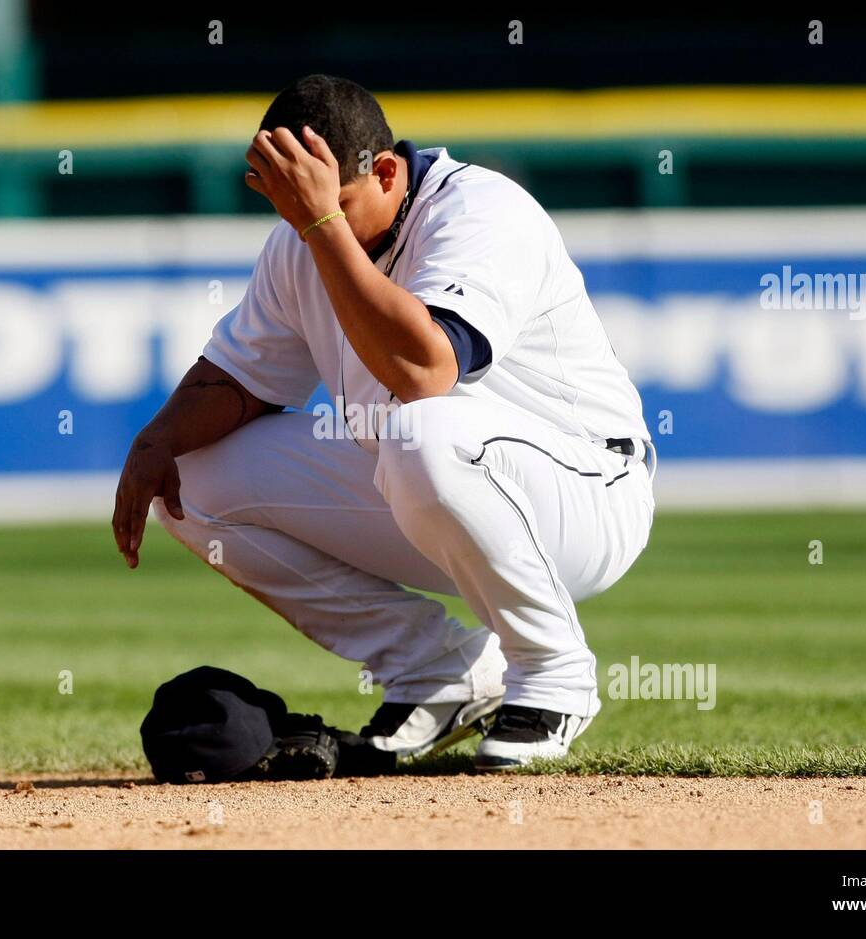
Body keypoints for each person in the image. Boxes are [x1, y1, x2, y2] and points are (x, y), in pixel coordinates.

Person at [112, 75, 655, 770]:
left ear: (389, 171)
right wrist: (154, 441)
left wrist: (319, 225)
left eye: (329, 201)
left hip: (584, 493)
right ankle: (439, 670)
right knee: (190, 474)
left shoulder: (482, 212)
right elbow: (237, 382)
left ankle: (553, 673)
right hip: (432, 480)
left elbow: (424, 369)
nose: (305, 220)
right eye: (290, 203)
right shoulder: (302, 242)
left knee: (417, 428)